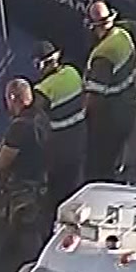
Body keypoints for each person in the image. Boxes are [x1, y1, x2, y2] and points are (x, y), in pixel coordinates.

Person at [0, 78, 50, 272]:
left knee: (27, 243)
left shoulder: (19, 127)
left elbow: (2, 162)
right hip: (43, 182)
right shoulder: (40, 116)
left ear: (14, 99)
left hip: (25, 191)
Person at [81, 0, 136, 181]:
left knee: (99, 163)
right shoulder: (122, 34)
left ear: (94, 26)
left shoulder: (103, 56)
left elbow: (95, 99)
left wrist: (84, 118)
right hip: (129, 106)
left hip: (110, 119)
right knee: (116, 153)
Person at [32, 41, 88, 214]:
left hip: (60, 146)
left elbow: (34, 119)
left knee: (57, 190)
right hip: (80, 136)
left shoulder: (43, 90)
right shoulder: (72, 71)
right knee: (74, 182)